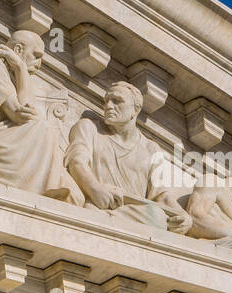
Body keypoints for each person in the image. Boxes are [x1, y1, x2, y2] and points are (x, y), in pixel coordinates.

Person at [64, 82, 190, 233]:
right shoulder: (88, 127)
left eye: (117, 101)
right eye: (106, 101)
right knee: (155, 218)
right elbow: (76, 162)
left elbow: (161, 196)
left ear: (135, 109)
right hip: (98, 202)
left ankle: (105, 218)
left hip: (134, 213)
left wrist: (183, 216)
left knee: (156, 216)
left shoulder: (151, 149)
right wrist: (94, 188)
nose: (108, 106)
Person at [0, 30, 66, 195]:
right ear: (18, 50)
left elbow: (27, 111)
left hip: (4, 135)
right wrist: (21, 67)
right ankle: (34, 193)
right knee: (44, 129)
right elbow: (18, 114)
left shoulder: (14, 74)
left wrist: (21, 70)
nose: (40, 64)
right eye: (36, 55)